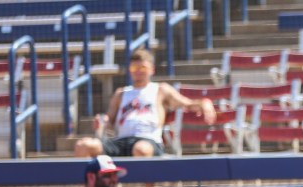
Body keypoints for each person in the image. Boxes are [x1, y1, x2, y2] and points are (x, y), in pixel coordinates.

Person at [74, 48, 216, 158]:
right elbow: (110, 121)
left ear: (151, 69)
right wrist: (103, 121)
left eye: (143, 68)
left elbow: (187, 104)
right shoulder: (121, 93)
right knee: (83, 145)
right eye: (134, 68)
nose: (138, 72)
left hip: (148, 140)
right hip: (121, 142)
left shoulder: (160, 89)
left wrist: (205, 103)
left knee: (140, 149)